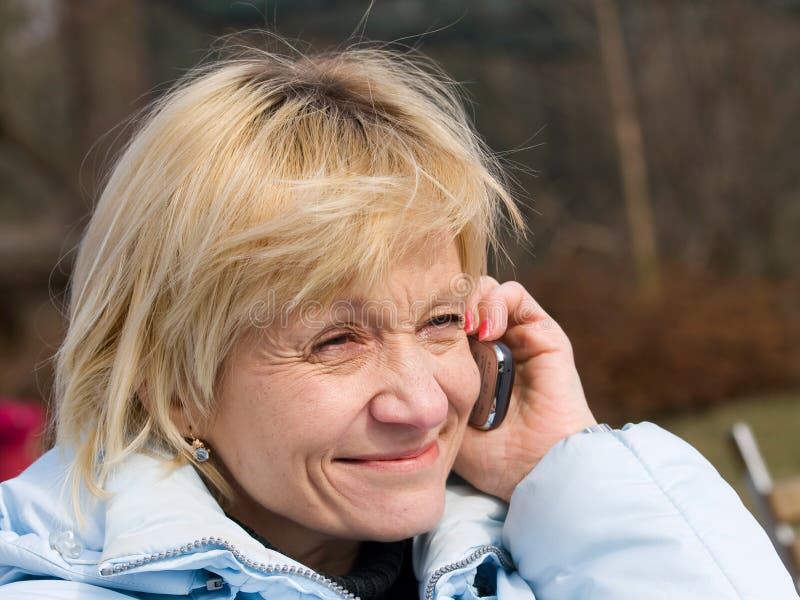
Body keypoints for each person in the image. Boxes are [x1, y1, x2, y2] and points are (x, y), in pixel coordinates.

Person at [0, 40, 797, 600]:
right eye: (335, 340)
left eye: (443, 320)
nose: (421, 403)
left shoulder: (534, 550)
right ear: (173, 385)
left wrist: (562, 465)